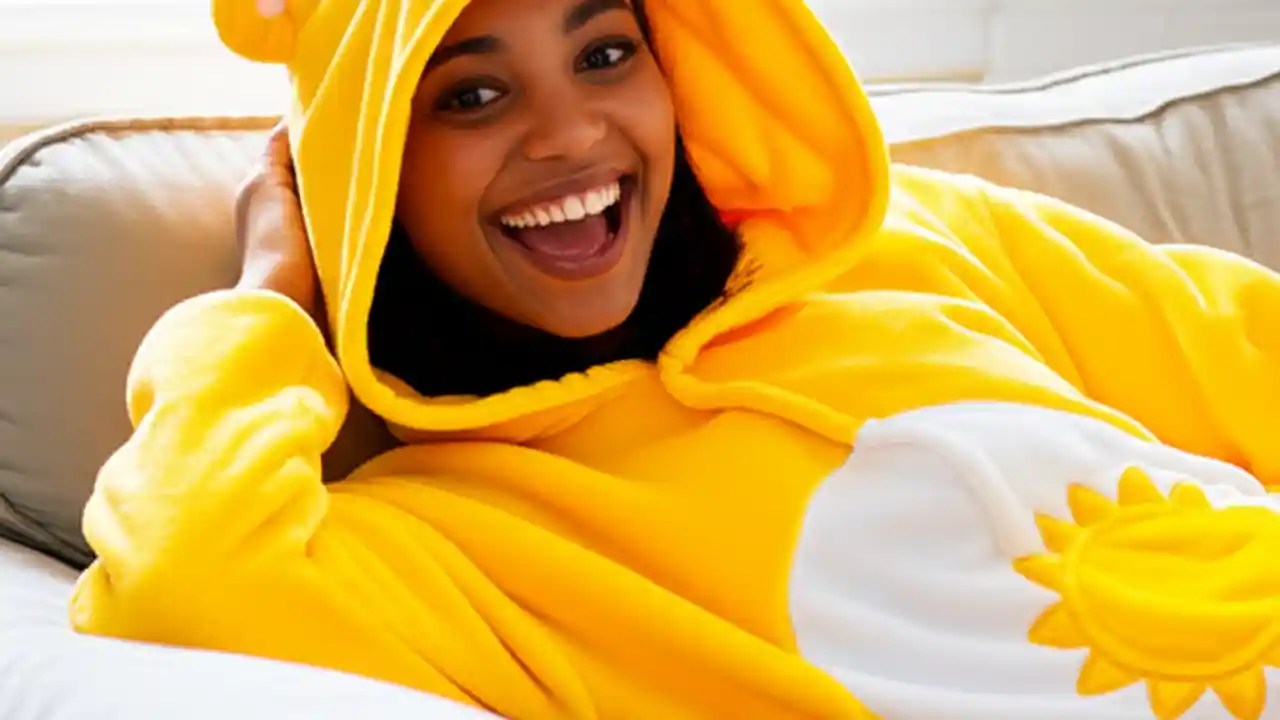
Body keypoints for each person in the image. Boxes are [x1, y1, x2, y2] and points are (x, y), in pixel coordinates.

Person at [70, 0, 1280, 718]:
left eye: (605, 53)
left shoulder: (912, 239)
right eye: (473, 95)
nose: (568, 133)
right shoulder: (459, 541)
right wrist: (272, 290)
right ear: (368, 167)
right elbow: (186, 575)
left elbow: (1246, 349)